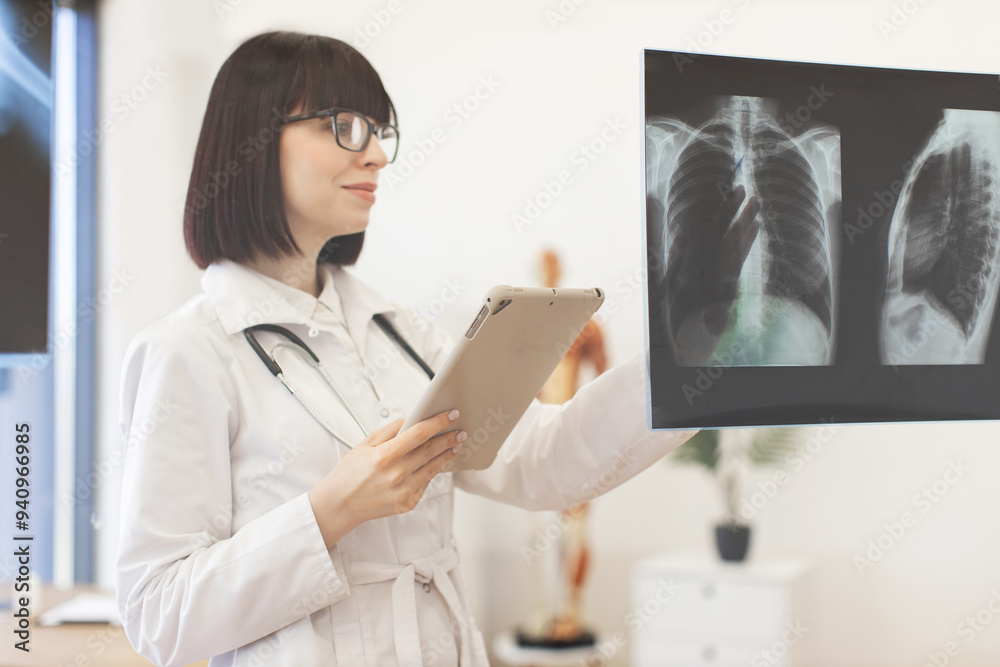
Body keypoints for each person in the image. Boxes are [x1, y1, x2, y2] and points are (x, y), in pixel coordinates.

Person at [116, 31, 701, 667]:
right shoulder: (188, 353)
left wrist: (691, 360)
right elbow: (157, 613)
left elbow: (545, 460)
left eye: (377, 130)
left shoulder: (401, 332)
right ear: (253, 143)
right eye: (343, 126)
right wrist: (327, 514)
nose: (375, 156)